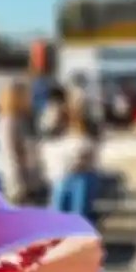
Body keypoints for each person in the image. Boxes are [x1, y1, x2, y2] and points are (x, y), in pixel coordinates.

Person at [39, 92, 99, 223]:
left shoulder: (89, 126)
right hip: (62, 175)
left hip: (81, 175)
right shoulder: (59, 122)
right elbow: (47, 138)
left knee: (79, 216)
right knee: (57, 216)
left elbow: (91, 149)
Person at [0, 80, 39, 205]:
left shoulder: (23, 120)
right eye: (26, 95)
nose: (30, 99)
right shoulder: (9, 122)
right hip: (20, 187)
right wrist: (17, 186)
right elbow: (10, 154)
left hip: (30, 183)